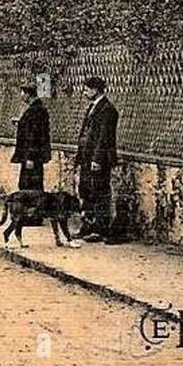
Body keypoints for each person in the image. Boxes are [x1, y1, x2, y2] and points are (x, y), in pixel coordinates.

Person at [76, 76, 120, 242]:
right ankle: (87, 226)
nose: (85, 91)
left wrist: (98, 159)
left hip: (98, 161)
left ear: (96, 89)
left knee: (99, 193)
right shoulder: (93, 107)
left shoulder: (107, 109)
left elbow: (104, 137)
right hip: (87, 158)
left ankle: (100, 228)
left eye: (87, 89)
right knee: (86, 191)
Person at [10, 83, 51, 192]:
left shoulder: (36, 111)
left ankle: (30, 208)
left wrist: (30, 158)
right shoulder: (36, 109)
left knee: (29, 186)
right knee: (29, 184)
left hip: (32, 157)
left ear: (29, 94)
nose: (21, 95)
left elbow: (35, 136)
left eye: (23, 92)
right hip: (30, 156)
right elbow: (31, 128)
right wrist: (20, 123)